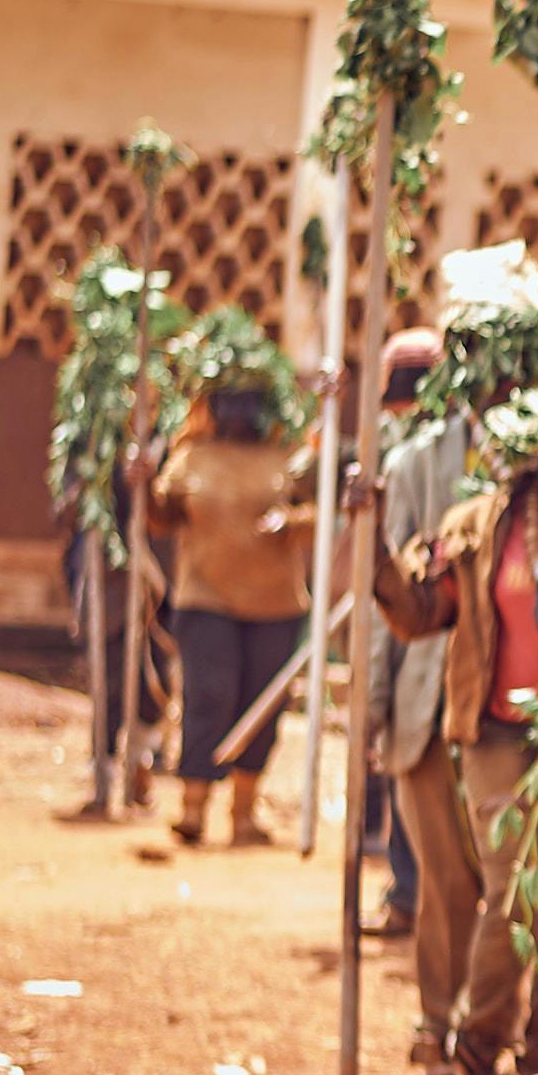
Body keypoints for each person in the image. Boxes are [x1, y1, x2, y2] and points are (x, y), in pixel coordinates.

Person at [372, 392, 538, 1075]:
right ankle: (476, 1051)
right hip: (499, 735)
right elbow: (415, 608)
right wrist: (371, 541)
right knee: (512, 897)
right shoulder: (473, 525)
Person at [146, 315, 313, 850]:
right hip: (206, 598)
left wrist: (293, 522)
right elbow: (160, 518)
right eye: (230, 401)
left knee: (260, 705)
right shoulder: (189, 455)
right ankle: (193, 807)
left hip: (274, 602)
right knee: (209, 696)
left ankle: (244, 814)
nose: (240, 414)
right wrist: (143, 484)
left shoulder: (289, 456)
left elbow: (320, 510)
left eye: (250, 402)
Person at [362, 327, 466, 1075]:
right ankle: (439, 1026)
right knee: (443, 880)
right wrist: (373, 704)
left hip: (512, 706)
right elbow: (386, 599)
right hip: (426, 699)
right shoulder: (410, 468)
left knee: (508, 879)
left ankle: (492, 1033)